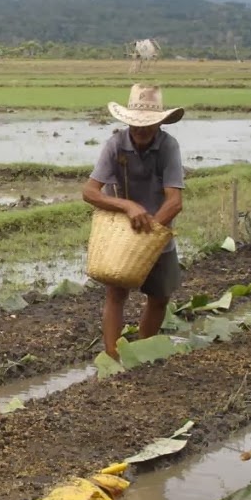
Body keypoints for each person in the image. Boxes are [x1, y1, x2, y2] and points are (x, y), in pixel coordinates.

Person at [82, 83, 186, 359]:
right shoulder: (115, 145)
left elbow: (174, 201)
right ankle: (113, 357)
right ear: (128, 121)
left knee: (160, 296)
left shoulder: (168, 147)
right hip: (121, 234)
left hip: (157, 232)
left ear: (159, 123)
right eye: (136, 124)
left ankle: (141, 352)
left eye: (148, 124)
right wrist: (127, 206)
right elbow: (89, 192)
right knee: (116, 293)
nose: (141, 130)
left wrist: (148, 237)